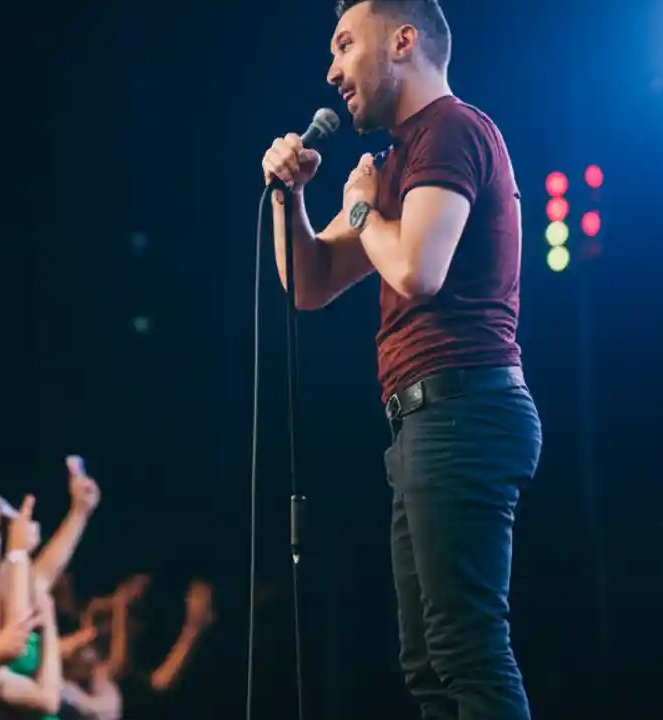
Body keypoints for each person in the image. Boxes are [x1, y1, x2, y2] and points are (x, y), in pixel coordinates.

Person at [261, 1, 542, 717]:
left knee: (465, 650)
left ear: (403, 42)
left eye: (344, 45)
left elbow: (417, 270)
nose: (332, 71)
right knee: (428, 665)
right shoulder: (394, 165)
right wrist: (290, 199)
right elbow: (310, 284)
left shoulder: (450, 129)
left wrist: (361, 209)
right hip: (427, 420)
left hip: (463, 407)